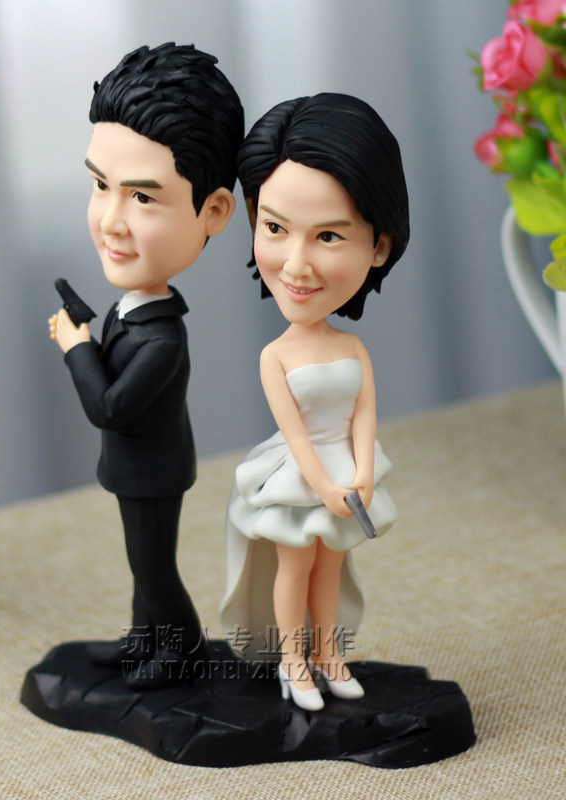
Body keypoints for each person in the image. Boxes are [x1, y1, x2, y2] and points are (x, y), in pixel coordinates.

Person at [49, 43, 244, 687]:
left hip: (154, 474)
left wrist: (76, 346)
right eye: (100, 186)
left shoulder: (162, 338)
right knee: (142, 564)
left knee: (155, 568)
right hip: (135, 470)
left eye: (143, 197)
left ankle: (182, 649)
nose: (111, 221)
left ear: (213, 211)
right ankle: (143, 640)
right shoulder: (131, 309)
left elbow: (109, 407)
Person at [219, 94, 410, 710]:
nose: (296, 265)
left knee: (331, 569)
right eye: (275, 228)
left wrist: (360, 472)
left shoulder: (352, 347)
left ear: (378, 246)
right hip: (300, 478)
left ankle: (330, 654)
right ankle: (292, 662)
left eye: (328, 235)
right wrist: (323, 484)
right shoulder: (274, 356)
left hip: (344, 473)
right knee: (294, 569)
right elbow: (294, 433)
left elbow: (364, 414)